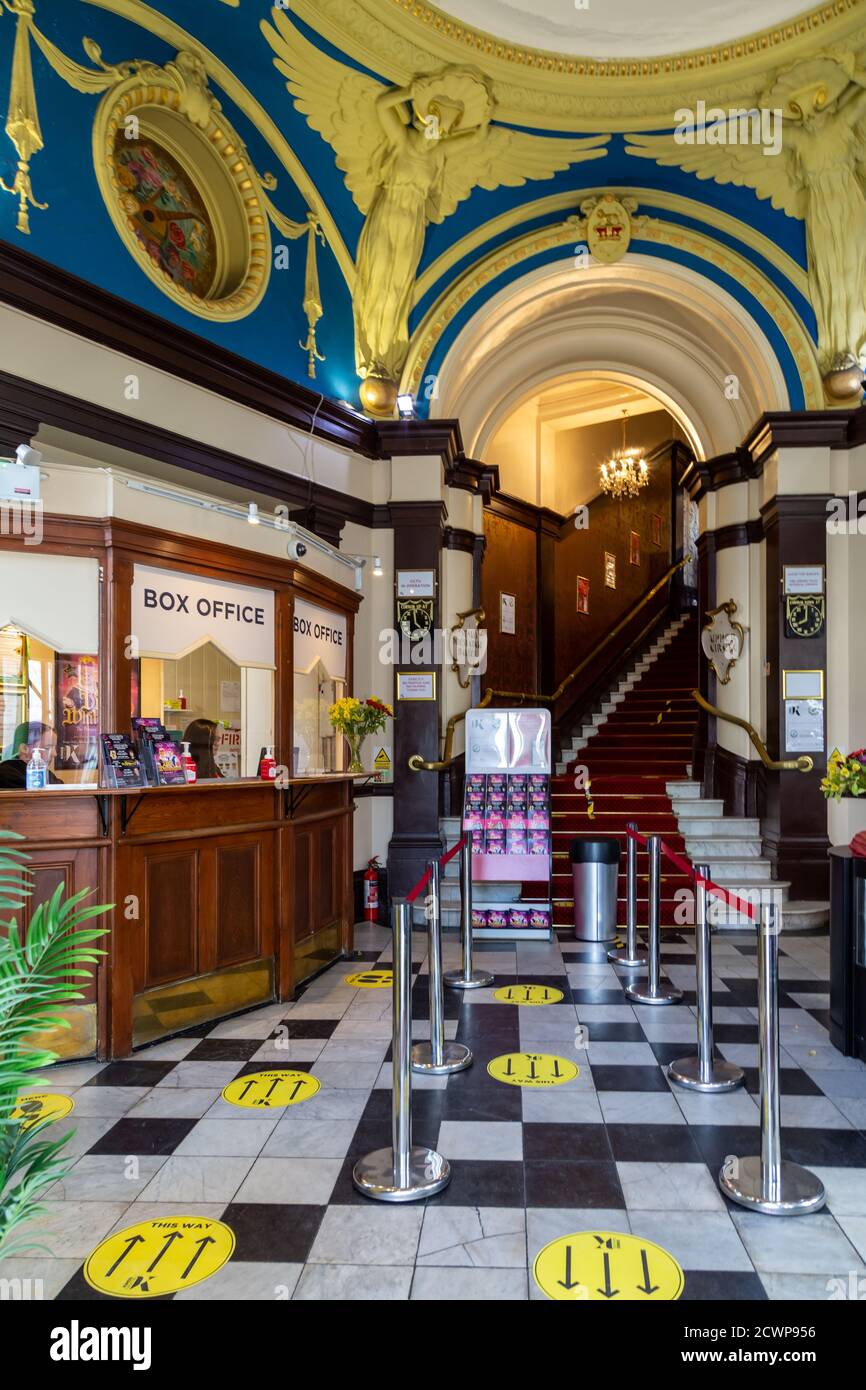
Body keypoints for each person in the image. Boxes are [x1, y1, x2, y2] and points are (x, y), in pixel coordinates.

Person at [0, 721, 61, 789]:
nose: (55, 754)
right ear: (24, 749)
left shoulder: (44, 772)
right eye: (47, 748)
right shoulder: (7, 774)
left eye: (54, 747)